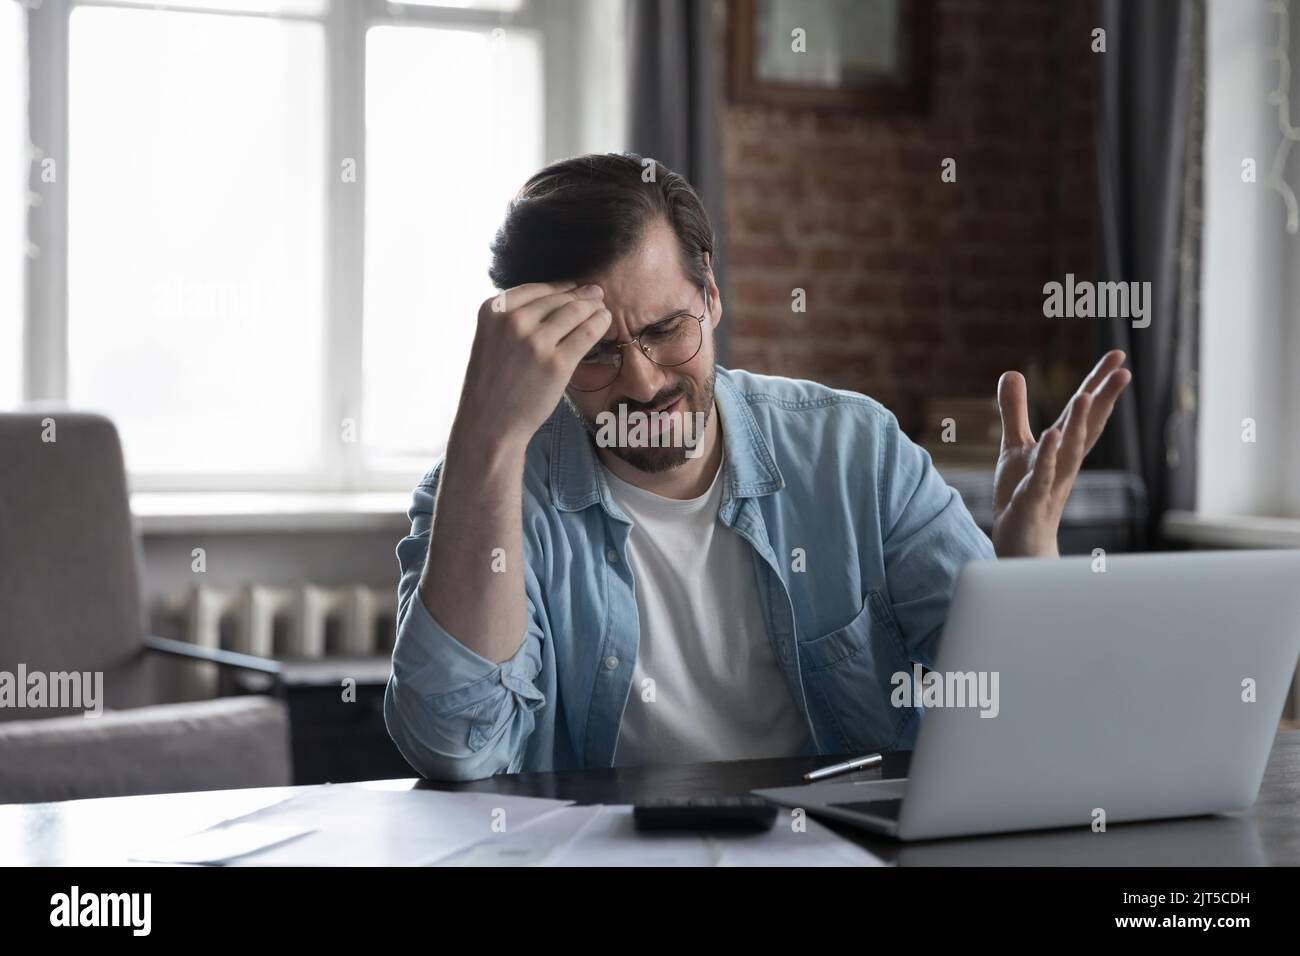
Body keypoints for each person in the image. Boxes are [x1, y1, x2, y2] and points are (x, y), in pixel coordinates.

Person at [383, 153, 1132, 781]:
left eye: (664, 330)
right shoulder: (487, 491)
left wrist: (1029, 561)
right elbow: (457, 746)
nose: (643, 383)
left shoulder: (855, 453)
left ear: (709, 295)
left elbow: (1010, 716)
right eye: (597, 352)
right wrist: (486, 437)